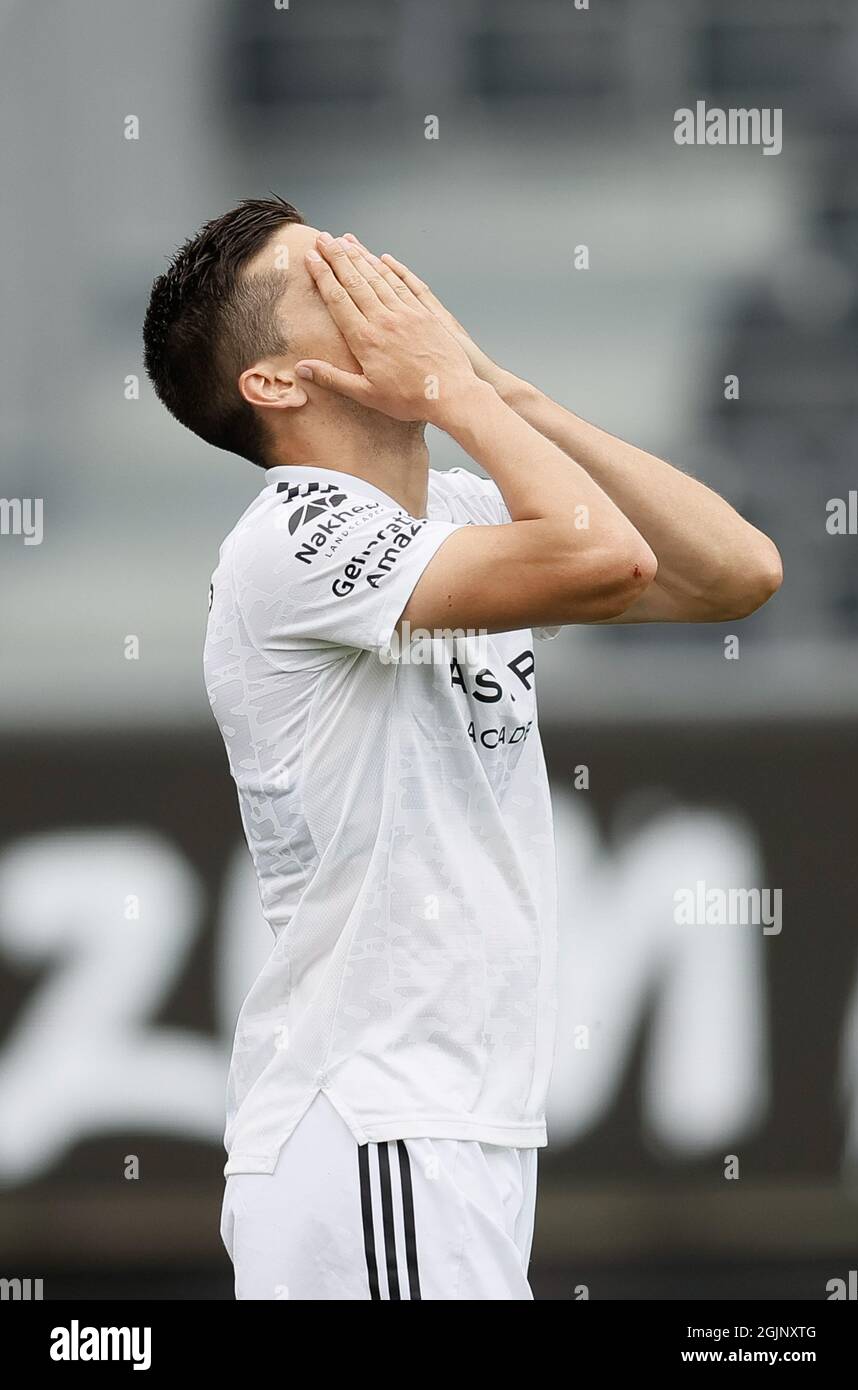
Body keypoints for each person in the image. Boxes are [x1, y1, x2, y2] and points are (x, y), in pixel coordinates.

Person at [143, 197, 782, 1300]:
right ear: (275, 382)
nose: (381, 283)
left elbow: (735, 572)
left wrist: (497, 389)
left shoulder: (446, 517)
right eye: (330, 280)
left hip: (446, 1128)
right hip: (371, 1119)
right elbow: (607, 563)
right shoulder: (293, 535)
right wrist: (456, 395)